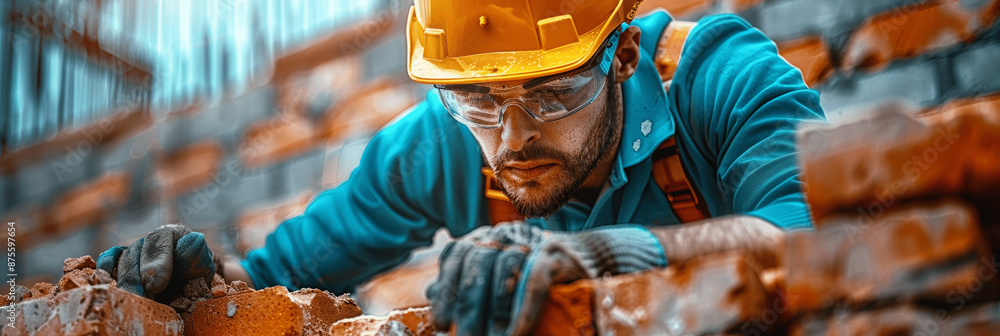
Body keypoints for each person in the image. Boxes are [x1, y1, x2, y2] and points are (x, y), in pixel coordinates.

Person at [97, 0, 826, 334]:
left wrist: (605, 254)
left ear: (622, 54)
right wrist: (189, 285)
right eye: (476, 100)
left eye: (549, 92)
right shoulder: (437, 146)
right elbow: (277, 280)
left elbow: (818, 240)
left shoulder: (719, 78)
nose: (512, 138)